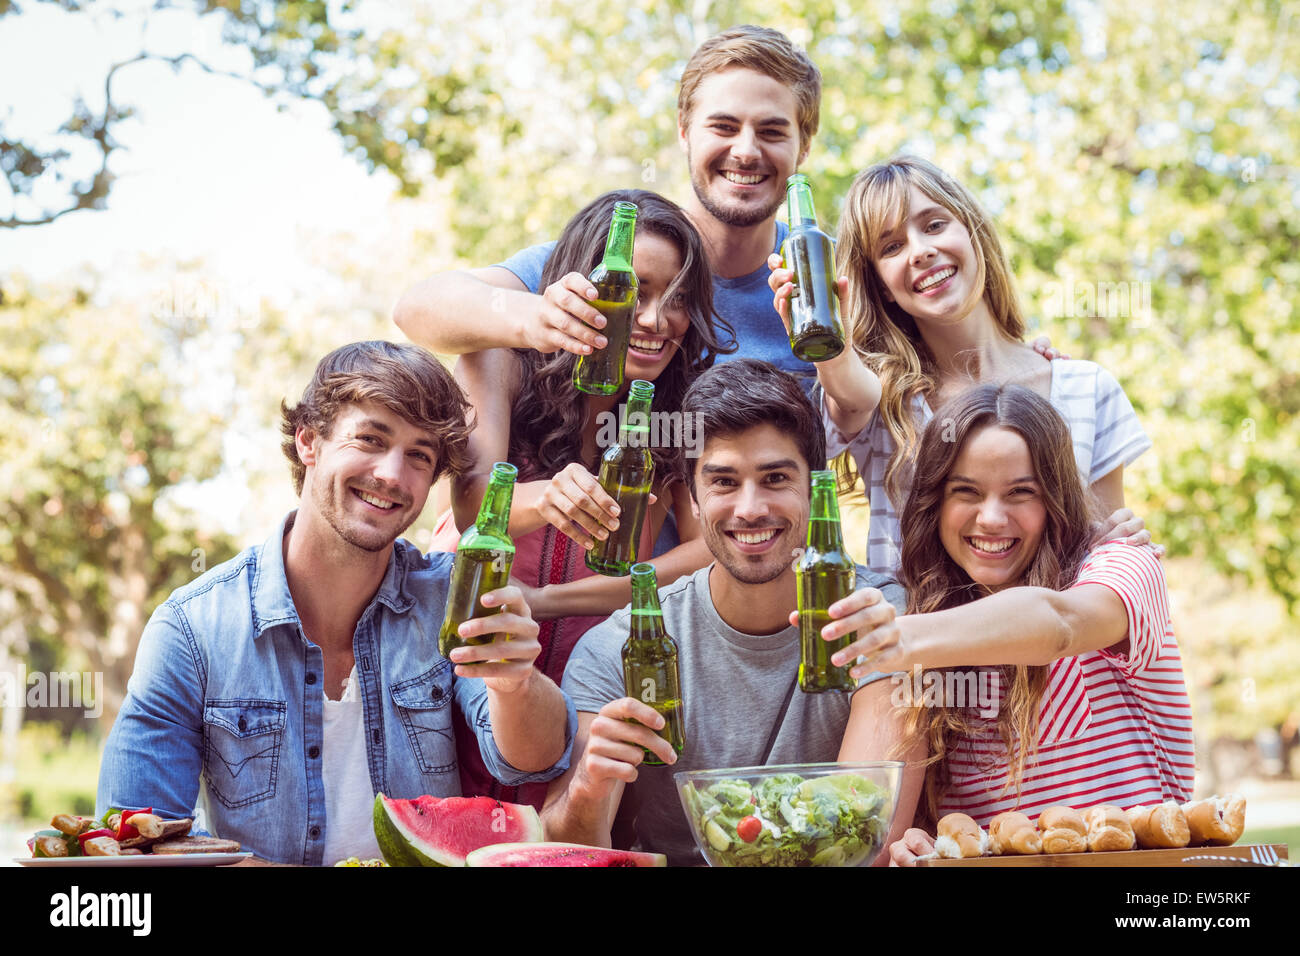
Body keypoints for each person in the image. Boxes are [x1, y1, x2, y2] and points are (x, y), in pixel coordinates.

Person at [96, 341, 576, 865]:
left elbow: (534, 761)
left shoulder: (450, 594)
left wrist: (516, 683)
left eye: (419, 455)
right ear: (308, 441)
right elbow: (134, 838)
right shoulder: (193, 629)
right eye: (370, 439)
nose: (392, 475)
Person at [430, 189, 732, 807]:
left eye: (676, 300)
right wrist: (544, 499)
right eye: (636, 292)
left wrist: (547, 601)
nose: (654, 319)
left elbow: (704, 554)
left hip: (597, 676)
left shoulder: (677, 408)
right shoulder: (502, 362)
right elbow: (467, 505)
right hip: (478, 650)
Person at [540, 359, 906, 866]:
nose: (750, 508)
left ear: (814, 488)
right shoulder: (617, 648)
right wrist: (588, 785)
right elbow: (567, 850)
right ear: (691, 497)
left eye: (775, 477)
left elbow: (869, 836)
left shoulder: (879, 618)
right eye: (724, 482)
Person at [824, 384, 1194, 865]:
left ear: (1054, 498)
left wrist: (904, 637)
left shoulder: (1123, 566)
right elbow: (927, 833)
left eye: (1021, 492)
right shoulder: (928, 633)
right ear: (934, 504)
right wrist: (920, 847)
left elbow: (1059, 623)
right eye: (966, 492)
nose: (992, 518)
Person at [768, 155, 1153, 575]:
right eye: (891, 247)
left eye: (934, 225)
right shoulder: (886, 398)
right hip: (920, 637)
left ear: (972, 233)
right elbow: (850, 393)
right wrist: (829, 340)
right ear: (882, 286)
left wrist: (1120, 543)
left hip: (1057, 637)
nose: (921, 251)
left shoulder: (1087, 388)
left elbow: (1106, 564)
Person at [393, 25, 822, 389]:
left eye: (771, 131)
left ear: (804, 145)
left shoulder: (834, 281)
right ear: (684, 131)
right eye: (723, 126)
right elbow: (418, 308)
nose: (746, 151)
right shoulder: (619, 256)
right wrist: (536, 315)